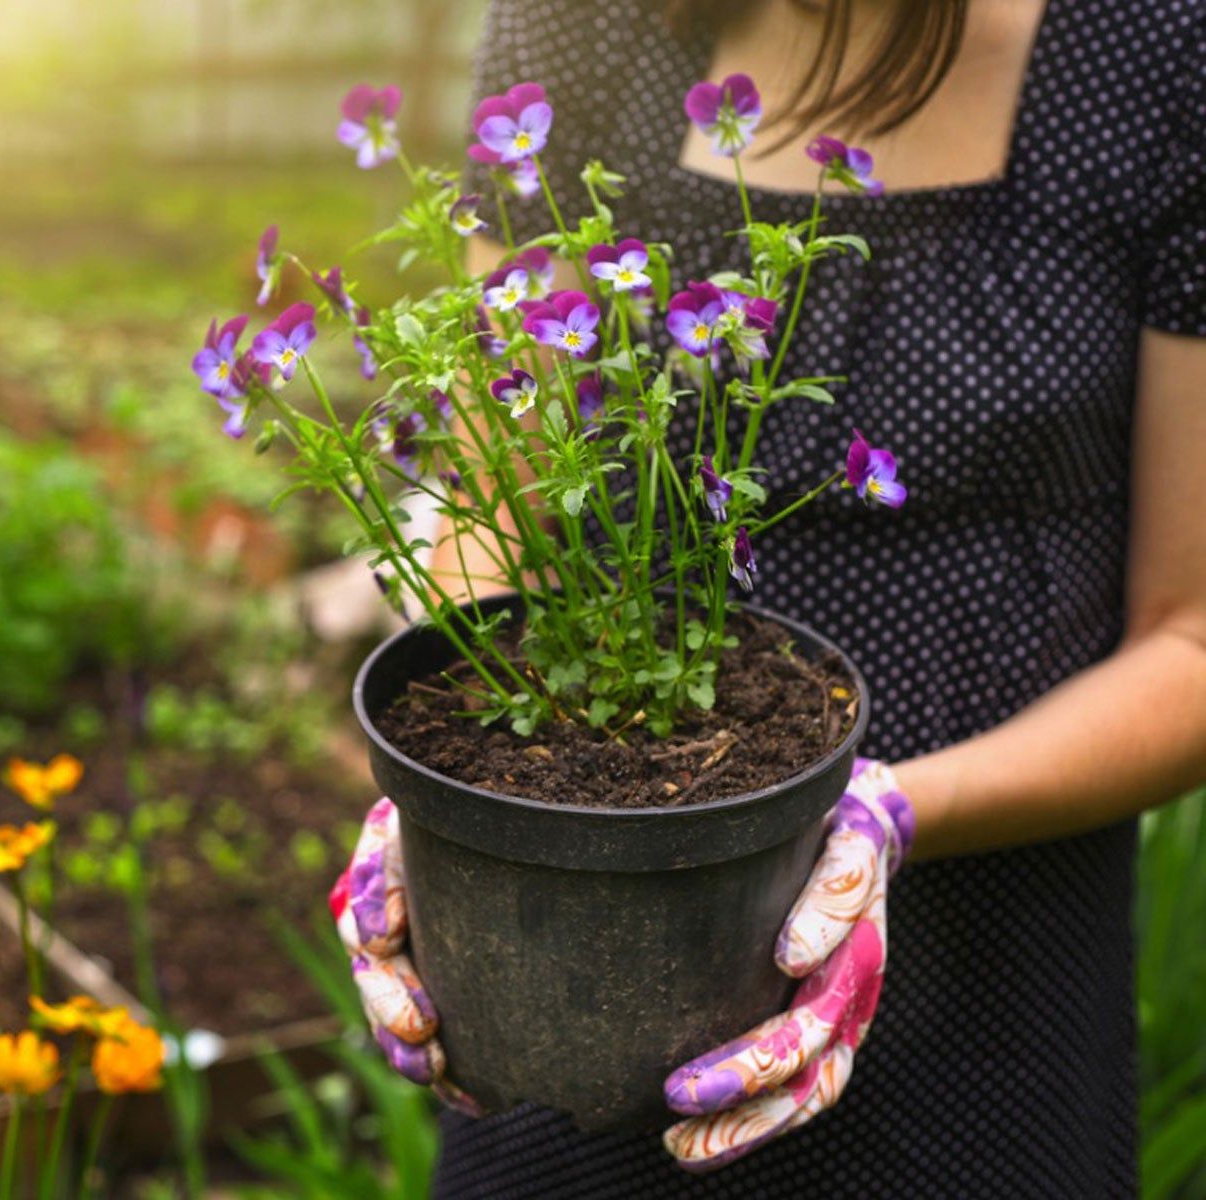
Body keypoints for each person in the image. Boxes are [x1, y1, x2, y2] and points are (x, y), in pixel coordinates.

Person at [329, 0, 1206, 1195]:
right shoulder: (586, 24)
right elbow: (498, 509)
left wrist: (883, 814)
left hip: (989, 993)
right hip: (581, 962)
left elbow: (1192, 637)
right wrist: (438, 809)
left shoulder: (1157, 49)